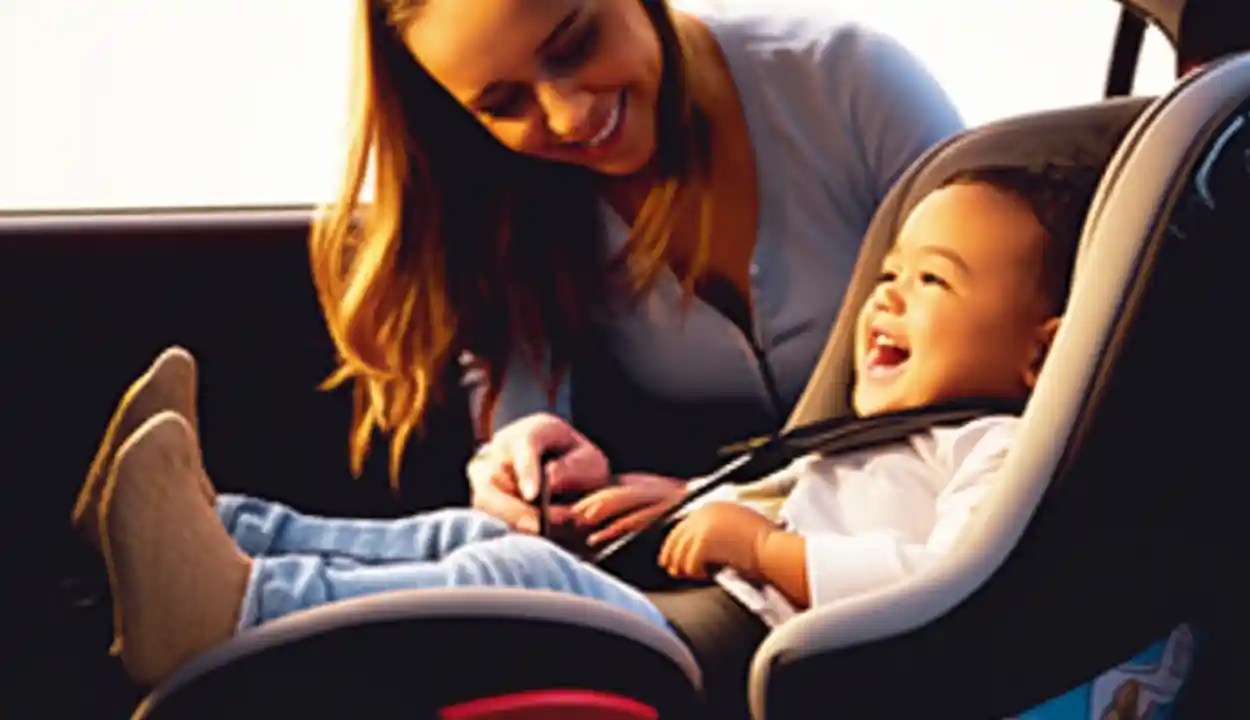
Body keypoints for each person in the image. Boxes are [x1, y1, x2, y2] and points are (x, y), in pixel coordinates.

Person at [76, 163, 1100, 705]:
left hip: (744, 664)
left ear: (1038, 354)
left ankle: (235, 606)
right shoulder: (888, 438)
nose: (883, 301)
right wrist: (695, 505)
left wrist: (763, 549)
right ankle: (228, 528)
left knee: (519, 586)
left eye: (930, 283)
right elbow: (807, 507)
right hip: (708, 606)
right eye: (885, 276)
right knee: (474, 541)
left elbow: (958, 591)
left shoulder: (995, 452)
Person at [303, 0, 965, 538]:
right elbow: (525, 421)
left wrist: (733, 508)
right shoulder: (510, 203)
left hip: (924, 547)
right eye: (503, 104)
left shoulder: (852, 84)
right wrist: (517, 462)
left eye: (575, 45)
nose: (570, 116)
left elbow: (1011, 405)